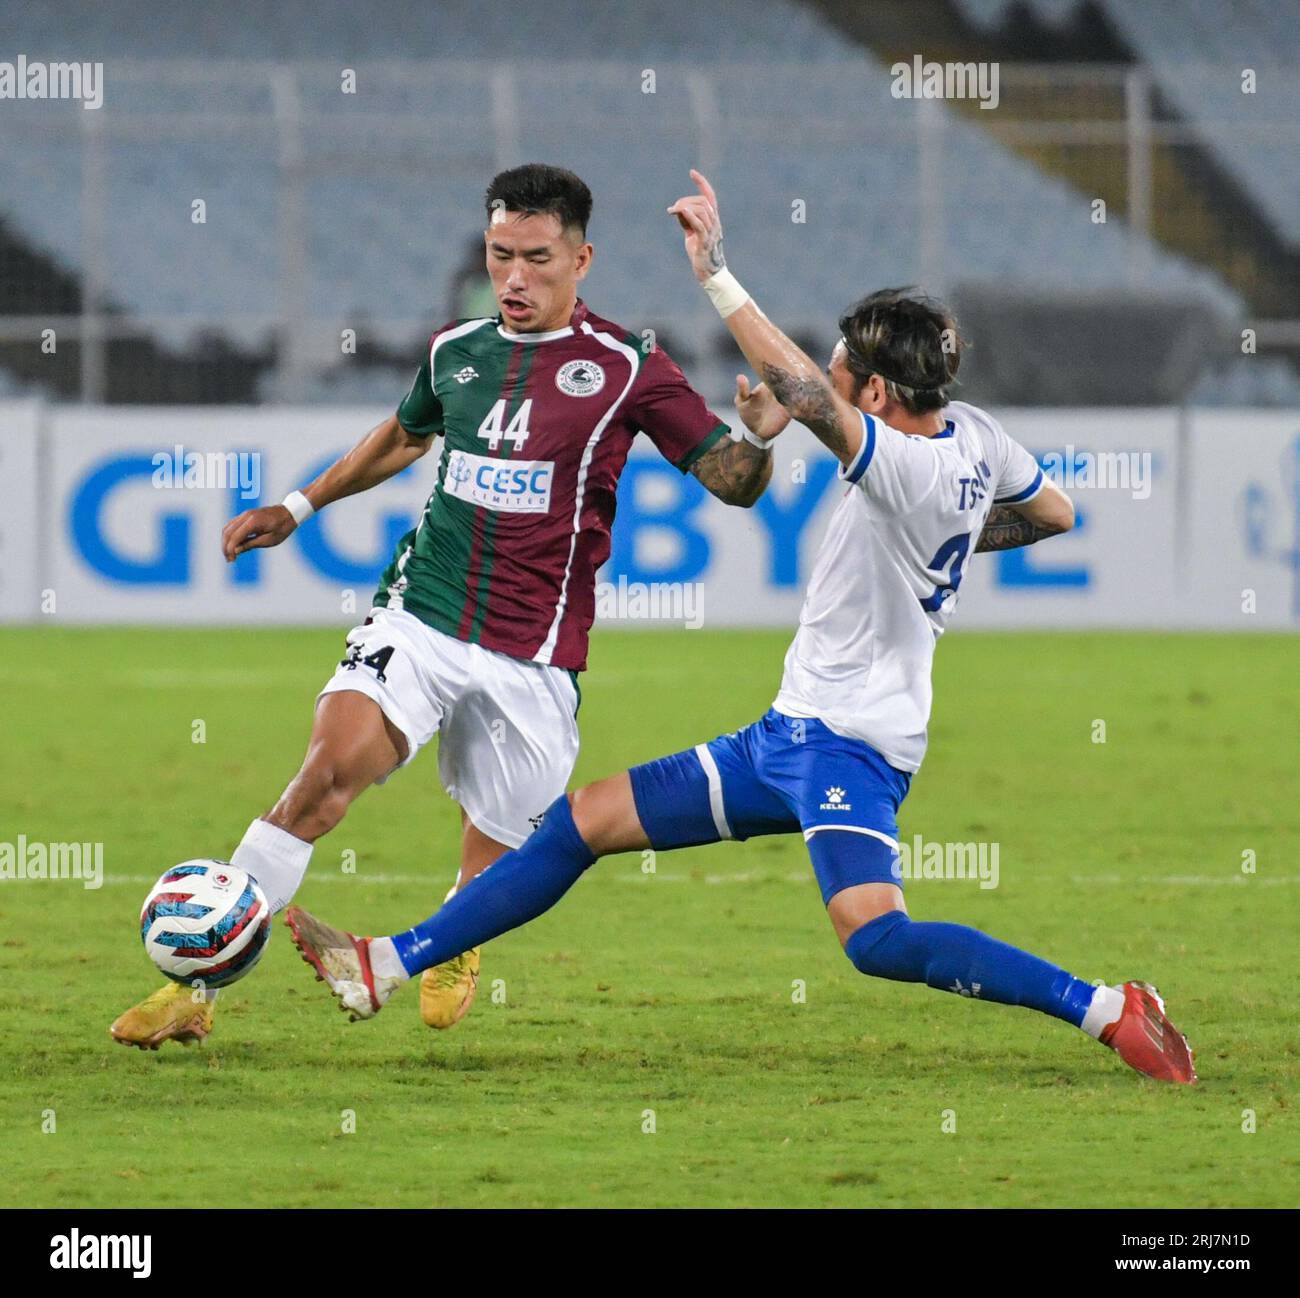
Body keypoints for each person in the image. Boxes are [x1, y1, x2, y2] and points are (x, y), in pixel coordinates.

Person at [285, 171, 1195, 1085]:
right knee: (579, 823)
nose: (827, 373)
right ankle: (386, 964)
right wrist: (939, 529)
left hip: (850, 746)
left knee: (876, 939)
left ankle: (1111, 1009)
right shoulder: (976, 437)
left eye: (844, 367)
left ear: (875, 393)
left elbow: (801, 389)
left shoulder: (907, 471)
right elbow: (1055, 515)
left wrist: (716, 274)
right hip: (786, 734)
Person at [110, 164, 773, 1050]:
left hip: (534, 656)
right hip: (420, 616)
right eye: (501, 255)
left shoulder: (628, 369)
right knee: (322, 778)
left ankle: (458, 940)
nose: (514, 278)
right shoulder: (455, 350)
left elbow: (734, 484)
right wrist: (298, 507)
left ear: (582, 258)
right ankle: (196, 988)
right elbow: (402, 434)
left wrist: (763, 432)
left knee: (498, 847)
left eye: (537, 259)